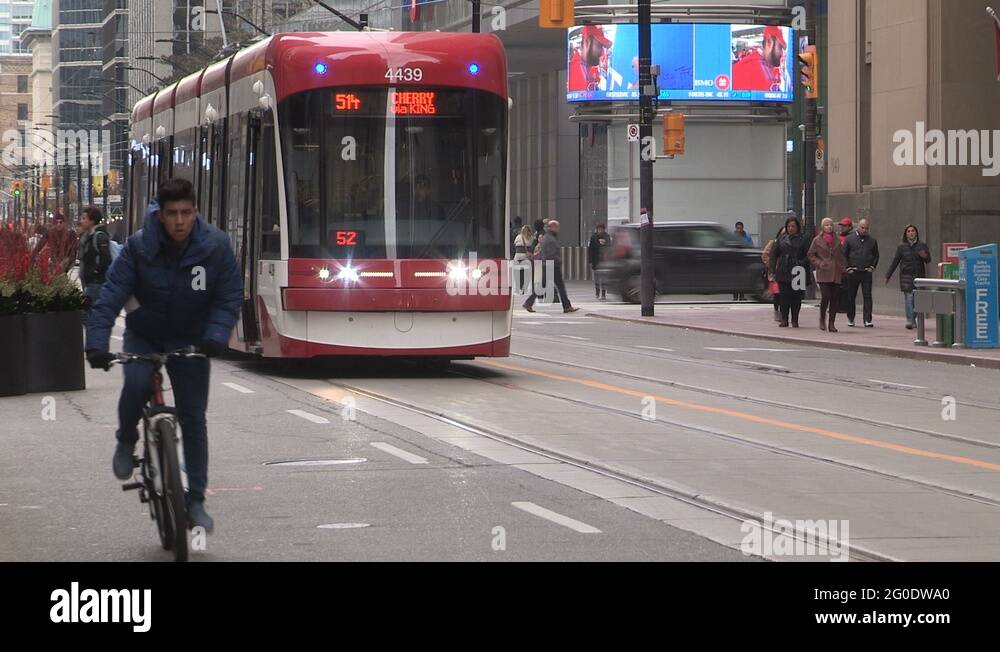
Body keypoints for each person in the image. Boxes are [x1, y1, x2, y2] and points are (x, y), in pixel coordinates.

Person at [84, 178, 243, 533]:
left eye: (186, 212)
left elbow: (229, 294)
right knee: (136, 383)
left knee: (193, 418)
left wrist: (216, 336)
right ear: (160, 215)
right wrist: (96, 344)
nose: (179, 221)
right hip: (145, 335)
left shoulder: (215, 245)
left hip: (191, 339)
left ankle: (195, 500)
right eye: (172, 214)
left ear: (196, 211)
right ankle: (126, 439)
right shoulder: (139, 247)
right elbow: (111, 294)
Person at [523, 220, 578, 314]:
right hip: (552, 265)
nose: (558, 229)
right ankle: (567, 306)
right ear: (552, 227)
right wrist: (558, 261)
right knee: (560, 287)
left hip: (549, 264)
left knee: (546, 286)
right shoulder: (550, 239)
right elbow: (551, 254)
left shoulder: (548, 237)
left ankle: (529, 303)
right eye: (557, 227)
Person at [885, 224, 931, 330]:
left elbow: (928, 260)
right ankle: (910, 320)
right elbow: (895, 261)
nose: (911, 233)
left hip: (919, 276)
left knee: (916, 300)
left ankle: (913, 318)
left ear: (916, 233)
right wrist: (888, 275)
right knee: (909, 298)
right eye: (909, 231)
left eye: (913, 231)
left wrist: (924, 256)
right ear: (906, 234)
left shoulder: (922, 245)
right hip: (906, 276)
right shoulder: (902, 246)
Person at [769, 215, 810, 328]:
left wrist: (801, 262)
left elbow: (809, 254)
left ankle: (795, 319)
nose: (791, 228)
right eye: (789, 226)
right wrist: (772, 270)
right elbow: (773, 254)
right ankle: (784, 319)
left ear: (797, 227)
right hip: (784, 270)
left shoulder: (804, 239)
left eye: (793, 226)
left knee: (796, 297)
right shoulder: (781, 239)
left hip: (798, 271)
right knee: (784, 297)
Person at [808, 218, 848, 333]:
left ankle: (831, 322)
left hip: (836, 271)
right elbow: (811, 254)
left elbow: (841, 255)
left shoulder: (837, 239)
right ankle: (822, 318)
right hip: (823, 270)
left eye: (830, 225)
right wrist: (819, 263)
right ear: (822, 227)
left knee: (835, 298)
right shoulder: (817, 240)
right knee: (826, 296)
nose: (829, 227)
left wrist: (844, 267)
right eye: (826, 225)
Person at [75, 206, 113, 318]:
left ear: (92, 221)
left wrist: (94, 272)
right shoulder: (87, 236)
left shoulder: (98, 236)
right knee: (92, 313)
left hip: (96, 283)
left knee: (86, 314)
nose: (81, 221)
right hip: (90, 282)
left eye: (84, 218)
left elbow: (106, 258)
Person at [843, 218, 880, 328]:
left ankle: (867, 319)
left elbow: (876, 255)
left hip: (866, 272)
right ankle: (850, 317)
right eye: (862, 228)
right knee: (851, 296)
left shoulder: (872, 241)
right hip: (853, 272)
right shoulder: (849, 239)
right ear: (858, 227)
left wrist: (872, 267)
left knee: (867, 296)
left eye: (866, 228)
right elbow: (844, 254)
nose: (864, 230)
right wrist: (848, 268)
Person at [732, 26, 788, 92]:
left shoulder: (769, 66)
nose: (782, 53)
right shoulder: (748, 70)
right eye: (780, 47)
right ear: (769, 42)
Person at [568, 25, 612, 92]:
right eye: (599, 46)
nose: (602, 52)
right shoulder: (574, 70)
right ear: (587, 43)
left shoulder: (587, 65)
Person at [762, 227, 785, 322]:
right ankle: (776, 311)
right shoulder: (773, 243)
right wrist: (772, 265)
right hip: (774, 273)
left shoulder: (789, 243)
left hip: (785, 272)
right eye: (783, 233)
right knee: (776, 293)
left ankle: (783, 313)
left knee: (784, 293)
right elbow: (765, 255)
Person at [588, 223, 612, 300]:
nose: (600, 230)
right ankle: (597, 293)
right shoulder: (593, 237)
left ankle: (603, 294)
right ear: (597, 229)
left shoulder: (607, 237)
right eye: (599, 229)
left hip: (605, 260)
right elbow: (590, 250)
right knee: (597, 278)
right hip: (596, 260)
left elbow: (609, 247)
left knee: (604, 278)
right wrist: (590, 261)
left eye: (602, 229)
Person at [733, 222, 754, 300]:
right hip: (735, 261)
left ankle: (742, 296)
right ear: (736, 228)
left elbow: (751, 246)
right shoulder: (732, 236)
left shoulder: (747, 236)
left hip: (744, 260)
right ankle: (735, 296)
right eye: (738, 228)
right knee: (735, 279)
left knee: (743, 278)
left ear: (743, 228)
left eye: (740, 228)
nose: (739, 230)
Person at [513, 224, 535, 295]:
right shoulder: (531, 238)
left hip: (518, 257)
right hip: (526, 257)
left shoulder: (518, 237)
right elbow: (531, 247)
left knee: (518, 273)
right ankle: (524, 287)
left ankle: (519, 286)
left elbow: (515, 245)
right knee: (526, 273)